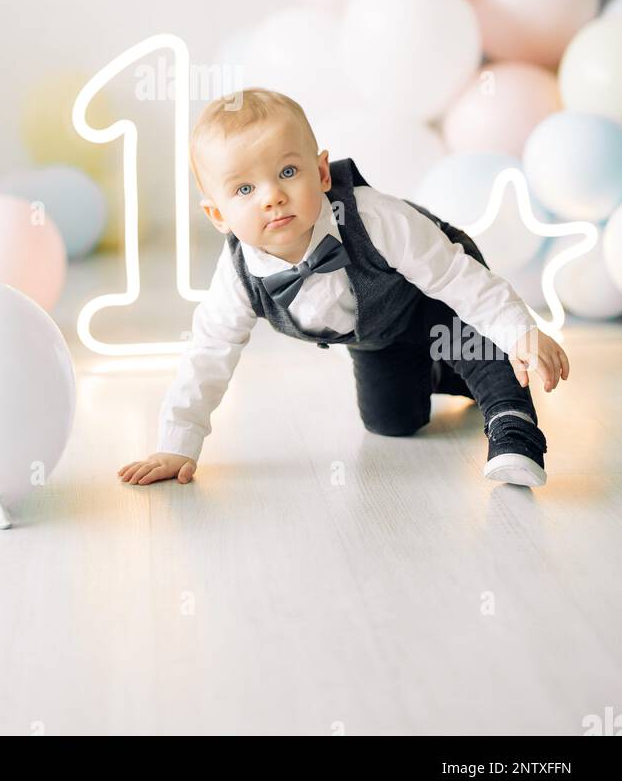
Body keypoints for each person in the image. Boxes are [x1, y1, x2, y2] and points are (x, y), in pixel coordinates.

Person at [117, 87, 568, 488]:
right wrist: (178, 442)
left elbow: (457, 278)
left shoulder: (374, 220)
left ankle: (514, 429)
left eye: (288, 172)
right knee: (392, 422)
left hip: (432, 291)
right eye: (244, 189)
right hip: (378, 331)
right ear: (217, 216)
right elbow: (208, 353)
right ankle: (453, 374)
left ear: (322, 173)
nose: (271, 195)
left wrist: (519, 330)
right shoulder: (237, 274)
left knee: (470, 342)